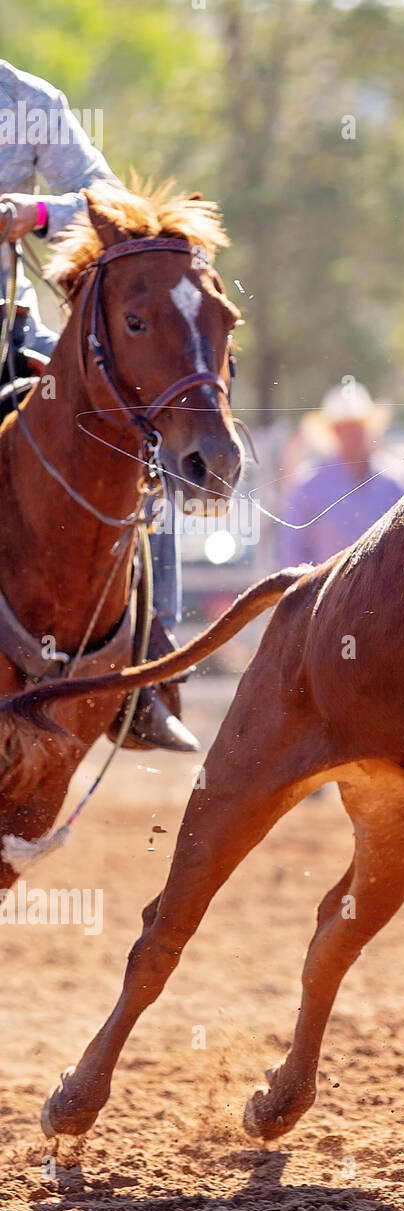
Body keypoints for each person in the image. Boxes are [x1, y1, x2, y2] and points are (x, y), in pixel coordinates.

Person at [0, 60, 197, 751]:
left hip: (8, 327)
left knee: (130, 428)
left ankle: (143, 664)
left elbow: (112, 208)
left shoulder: (28, 101)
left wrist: (36, 213)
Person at [278, 382, 404, 566]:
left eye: (357, 425)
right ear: (334, 432)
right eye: (345, 427)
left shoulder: (394, 481)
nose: (353, 433)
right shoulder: (308, 484)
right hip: (326, 592)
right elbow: (291, 552)